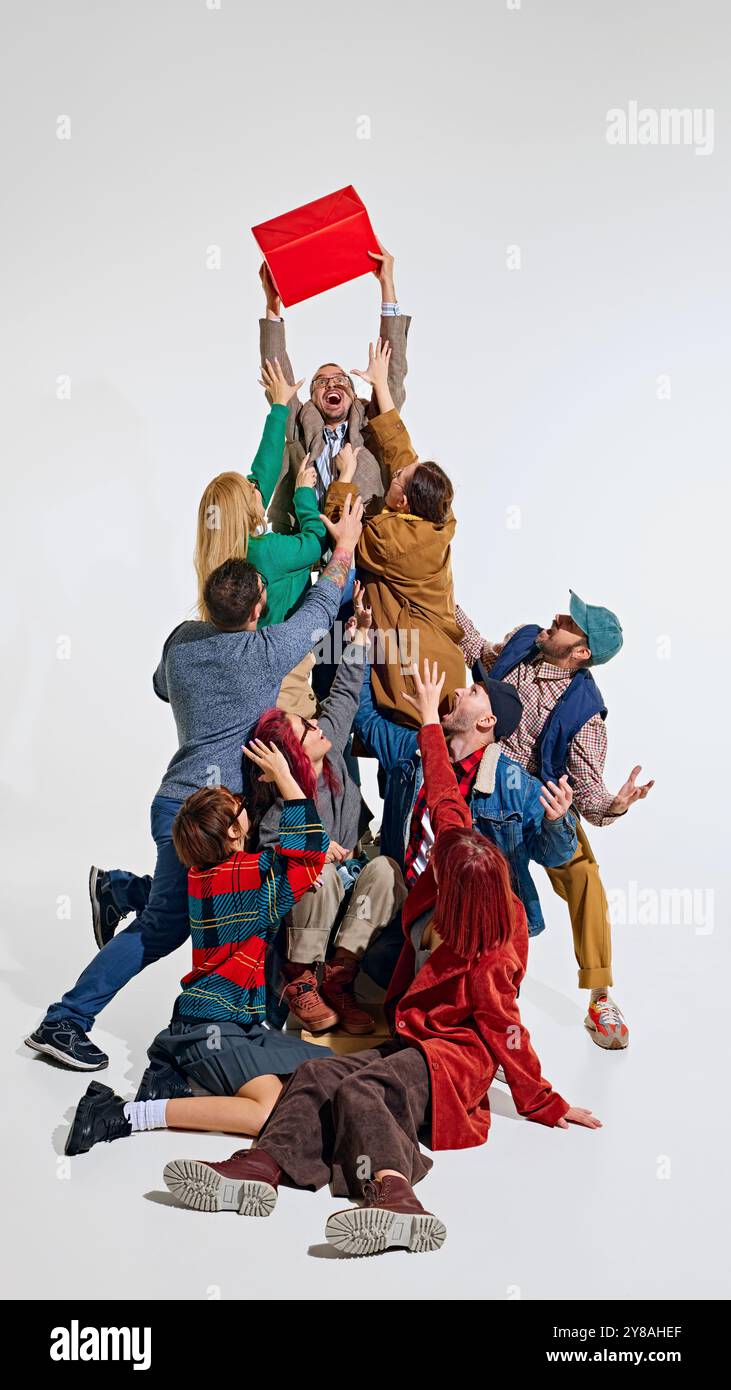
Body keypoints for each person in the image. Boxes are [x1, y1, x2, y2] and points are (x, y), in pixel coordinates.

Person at [160, 662, 600, 1257]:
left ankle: (396, 1199)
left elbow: (504, 1027)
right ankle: (257, 1168)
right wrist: (425, 718)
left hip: (452, 1059)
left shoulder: (495, 943)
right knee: (317, 1075)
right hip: (411, 1034)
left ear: (467, 899)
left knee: (367, 1090)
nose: (432, 869)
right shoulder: (457, 850)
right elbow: (445, 789)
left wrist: (546, 1103)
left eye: (441, 873)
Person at [25, 497, 364, 1072]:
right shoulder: (263, 650)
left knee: (185, 906)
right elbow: (323, 601)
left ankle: (120, 890)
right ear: (258, 609)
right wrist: (347, 543)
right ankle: (65, 1020)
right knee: (165, 928)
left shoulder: (182, 639)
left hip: (169, 802)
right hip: (209, 815)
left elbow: (161, 687)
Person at [64, 742, 333, 1157]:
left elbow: (290, 871)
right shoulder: (247, 876)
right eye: (239, 804)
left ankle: (171, 1071)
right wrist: (286, 778)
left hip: (234, 1026)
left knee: (328, 1069)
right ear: (231, 832)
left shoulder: (205, 875)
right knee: (270, 1110)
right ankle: (125, 1114)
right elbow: (310, 856)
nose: (244, 806)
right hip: (215, 1030)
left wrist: (286, 881)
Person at [456, 595, 654, 1050]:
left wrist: (616, 804)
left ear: (581, 652)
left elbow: (587, 796)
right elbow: (477, 649)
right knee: (492, 892)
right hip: (485, 789)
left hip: (541, 802)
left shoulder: (586, 711)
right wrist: (442, 593)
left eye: (570, 622)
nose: (557, 618)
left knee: (584, 875)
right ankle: (489, 994)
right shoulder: (526, 641)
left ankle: (600, 995)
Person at [353, 624, 577, 986]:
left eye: (472, 692)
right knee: (377, 962)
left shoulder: (515, 787)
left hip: (467, 928)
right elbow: (364, 718)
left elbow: (556, 855)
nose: (457, 690)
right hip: (406, 908)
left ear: (487, 721)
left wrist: (556, 821)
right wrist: (359, 645)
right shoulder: (414, 752)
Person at [250, 583, 407, 1036]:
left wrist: (358, 633)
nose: (317, 724)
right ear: (294, 756)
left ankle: (340, 976)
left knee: (386, 872)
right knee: (312, 875)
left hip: (350, 882)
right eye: (306, 729)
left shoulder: (332, 750)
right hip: (308, 897)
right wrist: (318, 850)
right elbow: (272, 851)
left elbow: (341, 695)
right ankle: (299, 978)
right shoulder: (285, 794)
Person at [325, 337, 465, 725]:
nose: (397, 470)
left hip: (414, 676)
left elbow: (345, 528)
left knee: (411, 767)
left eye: (398, 479)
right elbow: (402, 453)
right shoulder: (439, 515)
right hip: (443, 667)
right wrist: (380, 385)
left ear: (403, 502)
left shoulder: (390, 541)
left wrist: (346, 476)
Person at [258, 244, 410, 529]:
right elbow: (277, 374)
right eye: (322, 382)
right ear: (312, 397)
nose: (332, 383)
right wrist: (272, 304)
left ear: (352, 394)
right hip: (305, 539)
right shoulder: (299, 424)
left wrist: (387, 285)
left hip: (363, 537)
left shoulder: (369, 422)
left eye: (341, 379)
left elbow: (391, 373)